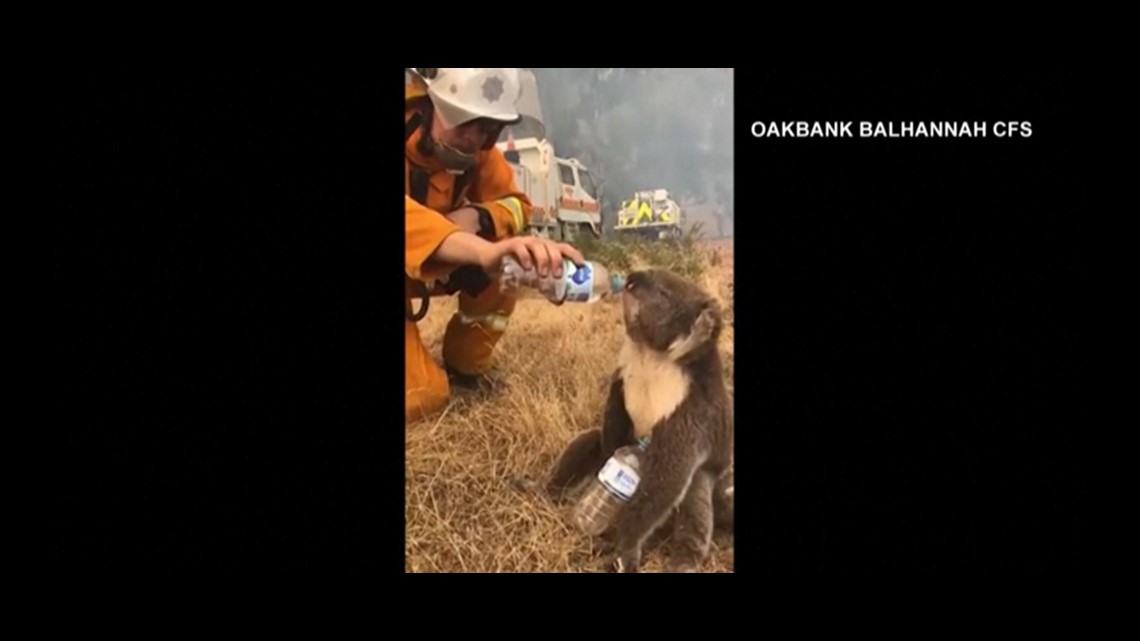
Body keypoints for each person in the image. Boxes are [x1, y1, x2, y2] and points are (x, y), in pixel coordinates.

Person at [405, 68, 584, 423]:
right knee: (421, 397)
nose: (474, 139)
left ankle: (465, 367)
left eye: (488, 130)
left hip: (431, 267)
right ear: (434, 104)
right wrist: (483, 252)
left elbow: (518, 204)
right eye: (466, 123)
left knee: (509, 259)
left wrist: (480, 218)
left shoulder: (481, 156)